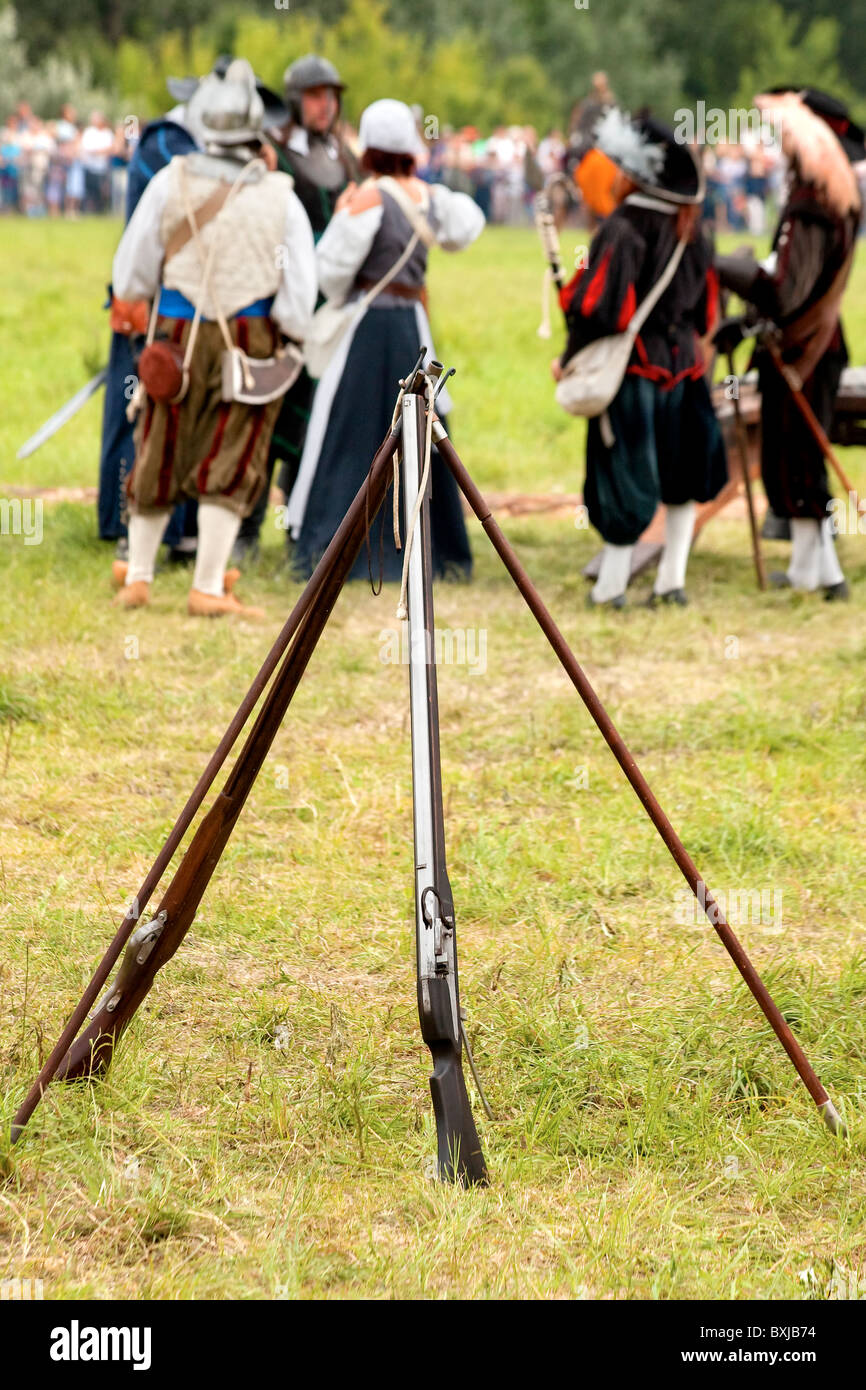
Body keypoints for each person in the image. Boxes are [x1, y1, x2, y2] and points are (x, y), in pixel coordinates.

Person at [110, 58, 317, 617]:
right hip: (248, 340)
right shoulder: (282, 197)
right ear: (256, 132)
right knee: (233, 452)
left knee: (157, 445)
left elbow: (130, 276)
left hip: (172, 337)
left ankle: (142, 576)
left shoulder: (166, 182)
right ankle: (205, 586)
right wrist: (292, 337)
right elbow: (299, 296)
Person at [286, 97, 484, 582]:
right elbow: (469, 227)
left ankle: (332, 549)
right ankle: (432, 552)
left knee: (346, 434)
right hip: (413, 331)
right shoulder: (431, 198)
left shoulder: (367, 198)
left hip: (368, 331)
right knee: (421, 435)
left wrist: (345, 210)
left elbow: (330, 277)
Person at [553, 110, 726, 608]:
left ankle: (610, 590)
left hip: (635, 373)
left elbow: (597, 309)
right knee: (680, 478)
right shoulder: (696, 230)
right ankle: (670, 582)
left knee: (623, 475)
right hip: (686, 369)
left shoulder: (623, 227)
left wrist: (569, 358)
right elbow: (704, 312)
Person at [717, 89, 864, 599]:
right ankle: (810, 572)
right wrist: (747, 323)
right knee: (792, 463)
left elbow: (786, 292)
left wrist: (733, 273)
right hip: (809, 345)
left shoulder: (812, 208)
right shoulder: (830, 198)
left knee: (801, 463)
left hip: (805, 350)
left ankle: (830, 576)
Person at [234, 54, 360, 564]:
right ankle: (244, 530)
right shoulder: (273, 155)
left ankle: (300, 530)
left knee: (314, 425)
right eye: (314, 94)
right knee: (267, 418)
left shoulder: (347, 159)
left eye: (331, 94)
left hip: (333, 314)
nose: (325, 104)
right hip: (283, 304)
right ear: (294, 99)